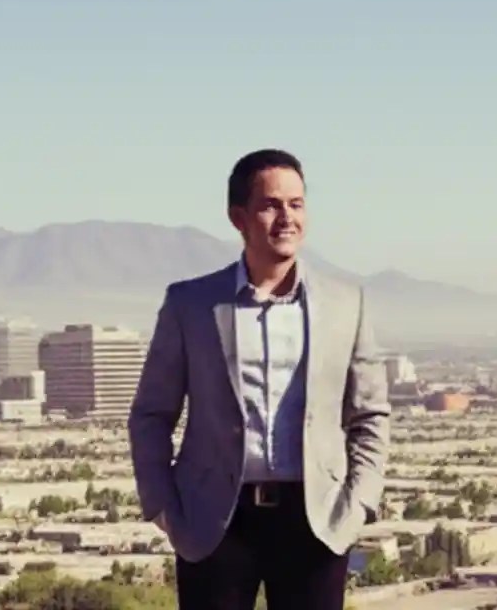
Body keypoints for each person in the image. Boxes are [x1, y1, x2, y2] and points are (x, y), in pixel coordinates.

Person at [127, 149, 390, 610]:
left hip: (317, 521)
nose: (287, 217)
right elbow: (150, 414)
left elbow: (370, 414)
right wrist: (166, 509)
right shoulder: (191, 304)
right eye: (271, 204)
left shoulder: (347, 303)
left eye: (297, 204)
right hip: (213, 524)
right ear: (239, 217)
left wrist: (358, 504)